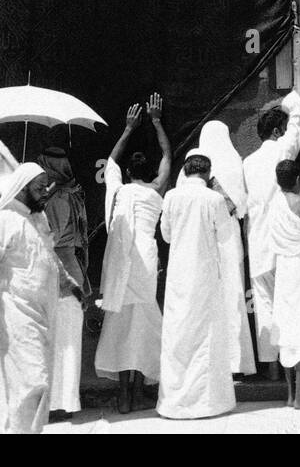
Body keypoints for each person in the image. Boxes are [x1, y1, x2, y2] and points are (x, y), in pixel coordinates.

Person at [0, 162, 78, 434]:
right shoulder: (1, 220)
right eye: (40, 188)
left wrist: (69, 284)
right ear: (21, 189)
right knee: (33, 379)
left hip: (42, 313)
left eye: (46, 187)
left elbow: (48, 257)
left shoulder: (37, 220)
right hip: (15, 315)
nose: (46, 192)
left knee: (34, 382)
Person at [96, 94, 171, 411]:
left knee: (122, 328)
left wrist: (128, 129)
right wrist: (156, 121)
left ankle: (126, 395)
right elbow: (168, 155)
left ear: (128, 173)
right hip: (145, 259)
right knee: (142, 327)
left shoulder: (120, 191)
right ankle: (138, 392)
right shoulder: (156, 192)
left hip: (121, 265)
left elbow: (111, 163)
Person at [157, 152, 235, 420]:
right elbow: (225, 234)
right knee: (206, 337)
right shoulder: (213, 199)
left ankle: (174, 403)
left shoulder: (171, 197)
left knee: (178, 337)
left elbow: (166, 235)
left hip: (178, 276)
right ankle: (206, 403)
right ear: (207, 173)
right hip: (204, 276)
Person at [242, 57, 300, 372]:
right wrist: (299, 74)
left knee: (266, 307)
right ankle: (291, 370)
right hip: (282, 242)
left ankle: (270, 369)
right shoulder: (282, 152)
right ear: (278, 130)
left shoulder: (247, 162)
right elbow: (298, 116)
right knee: (289, 304)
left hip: (257, 243)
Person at [198, 118, 256, 376]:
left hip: (204, 238)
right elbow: (243, 206)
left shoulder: (197, 168)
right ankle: (236, 363)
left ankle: (212, 363)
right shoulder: (235, 163)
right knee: (233, 298)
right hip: (230, 237)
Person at [40, 145, 90, 419]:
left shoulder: (57, 198)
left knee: (62, 343)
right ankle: (63, 401)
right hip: (70, 269)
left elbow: (54, 238)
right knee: (65, 342)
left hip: (62, 272)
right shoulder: (71, 193)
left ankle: (60, 403)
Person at [270, 158, 300, 408]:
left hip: (283, 270)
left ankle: (290, 396)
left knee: (287, 331)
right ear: (299, 180)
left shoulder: (273, 204)